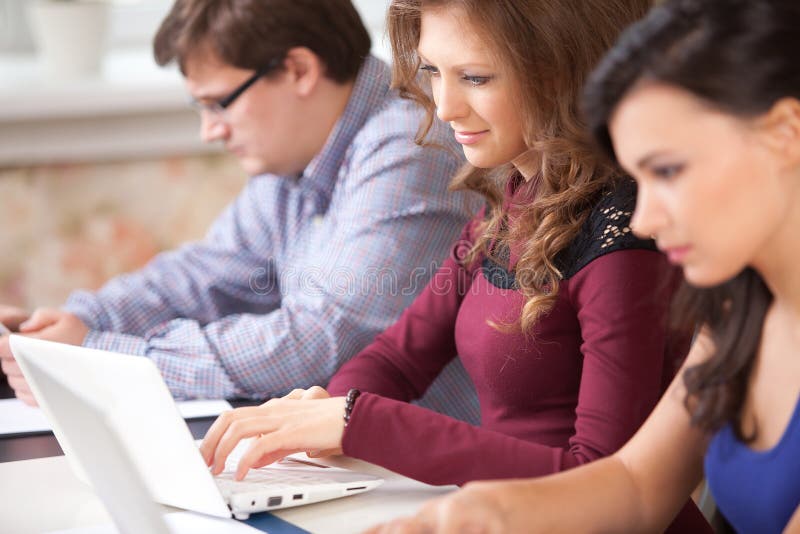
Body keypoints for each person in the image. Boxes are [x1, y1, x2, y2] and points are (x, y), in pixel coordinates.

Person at [198, 1, 710, 531]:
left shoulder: (624, 240)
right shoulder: (516, 202)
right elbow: (400, 357)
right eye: (432, 72)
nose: (444, 107)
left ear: (567, 68)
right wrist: (317, 412)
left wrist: (357, 423)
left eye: (475, 77)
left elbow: (599, 479)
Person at [367, 0, 800, 532]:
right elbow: (637, 488)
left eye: (668, 170)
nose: (640, 221)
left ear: (785, 133)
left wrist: (364, 425)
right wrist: (479, 511)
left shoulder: (634, 254)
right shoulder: (738, 309)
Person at [0, 0, 483, 423]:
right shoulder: (299, 154)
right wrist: (74, 322)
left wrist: (97, 354)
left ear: (297, 70)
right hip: (354, 458)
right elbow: (208, 272)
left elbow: (322, 338)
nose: (210, 131)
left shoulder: (411, 143)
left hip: (440, 484)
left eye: (219, 104)